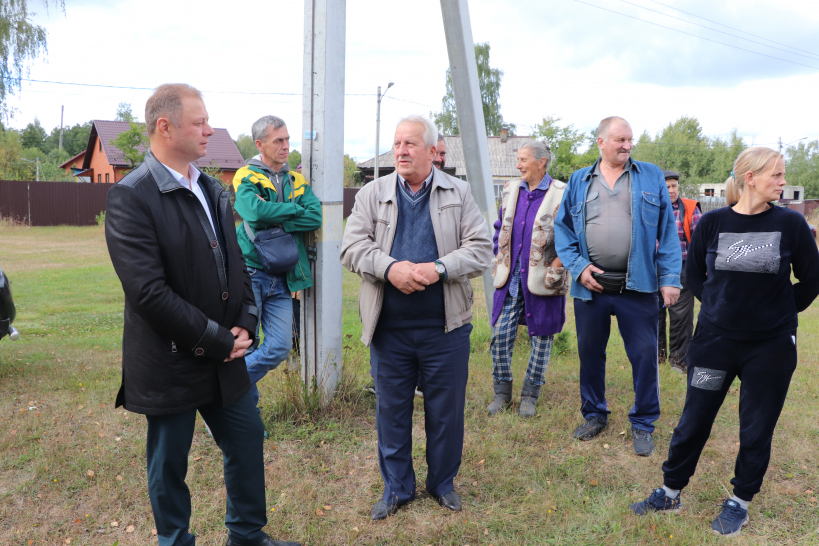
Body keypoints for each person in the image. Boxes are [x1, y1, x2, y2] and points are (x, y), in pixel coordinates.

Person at [105, 84, 300, 546]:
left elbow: (240, 264)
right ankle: (175, 541)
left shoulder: (213, 188)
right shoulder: (131, 197)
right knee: (169, 461)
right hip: (171, 359)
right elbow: (148, 293)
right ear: (165, 127)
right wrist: (217, 338)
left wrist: (248, 322)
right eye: (199, 122)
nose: (210, 129)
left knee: (247, 439)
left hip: (224, 358)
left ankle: (247, 535)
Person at [631, 147, 819, 536]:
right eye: (777, 176)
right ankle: (669, 492)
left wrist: (778, 313)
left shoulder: (792, 225)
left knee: (756, 428)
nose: (783, 183)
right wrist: (719, 309)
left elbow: (812, 279)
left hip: (770, 348)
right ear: (750, 177)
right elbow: (695, 275)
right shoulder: (713, 223)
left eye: (784, 176)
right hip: (715, 343)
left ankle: (740, 501)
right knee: (693, 421)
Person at [340, 115, 492, 520]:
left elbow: (481, 248)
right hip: (389, 330)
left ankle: (442, 483)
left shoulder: (459, 193)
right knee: (391, 412)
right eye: (397, 144)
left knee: (446, 413)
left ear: (431, 151)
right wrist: (390, 268)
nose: (402, 151)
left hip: (446, 329)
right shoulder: (372, 194)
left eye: (410, 144)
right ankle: (397, 488)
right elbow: (351, 247)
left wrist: (439, 268)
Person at [555, 116, 681, 457]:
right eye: (619, 140)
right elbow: (562, 231)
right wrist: (579, 268)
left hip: (637, 286)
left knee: (643, 356)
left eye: (630, 140)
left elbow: (667, 232)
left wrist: (669, 279)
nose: (627, 145)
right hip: (591, 288)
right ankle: (594, 414)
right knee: (590, 355)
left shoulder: (651, 175)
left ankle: (643, 423)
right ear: (600, 142)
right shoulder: (580, 180)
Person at [232, 116, 322, 411]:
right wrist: (293, 210)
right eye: (278, 141)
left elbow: (315, 217)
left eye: (287, 139)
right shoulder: (246, 176)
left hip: (284, 275)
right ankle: (246, 415)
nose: (286, 146)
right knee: (249, 344)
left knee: (280, 347)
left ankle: (223, 388)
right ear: (260, 144)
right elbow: (253, 213)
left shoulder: (297, 179)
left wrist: (277, 216)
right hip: (251, 272)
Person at [488, 140, 568, 418]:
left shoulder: (561, 193)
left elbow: (573, 235)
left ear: (541, 162)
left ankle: (530, 396)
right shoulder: (511, 190)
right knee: (500, 334)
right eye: (518, 160)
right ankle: (502, 393)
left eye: (523, 159)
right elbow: (501, 226)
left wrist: (557, 265)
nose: (518, 165)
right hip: (511, 279)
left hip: (543, 279)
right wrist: (498, 253)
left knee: (542, 339)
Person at [658, 170, 701, 374]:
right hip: (652, 269)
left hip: (682, 269)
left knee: (681, 318)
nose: (671, 190)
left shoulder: (691, 208)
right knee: (653, 316)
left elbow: (702, 242)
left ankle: (678, 362)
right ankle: (656, 358)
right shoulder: (649, 207)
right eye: (667, 187)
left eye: (674, 186)